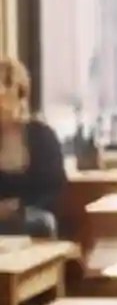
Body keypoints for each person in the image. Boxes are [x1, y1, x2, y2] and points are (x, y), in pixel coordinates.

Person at [0, 57, 65, 238]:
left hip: (30, 216)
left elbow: (53, 189)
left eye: (6, 85)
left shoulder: (42, 136)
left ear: (20, 94)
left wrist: (18, 207)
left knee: (42, 223)